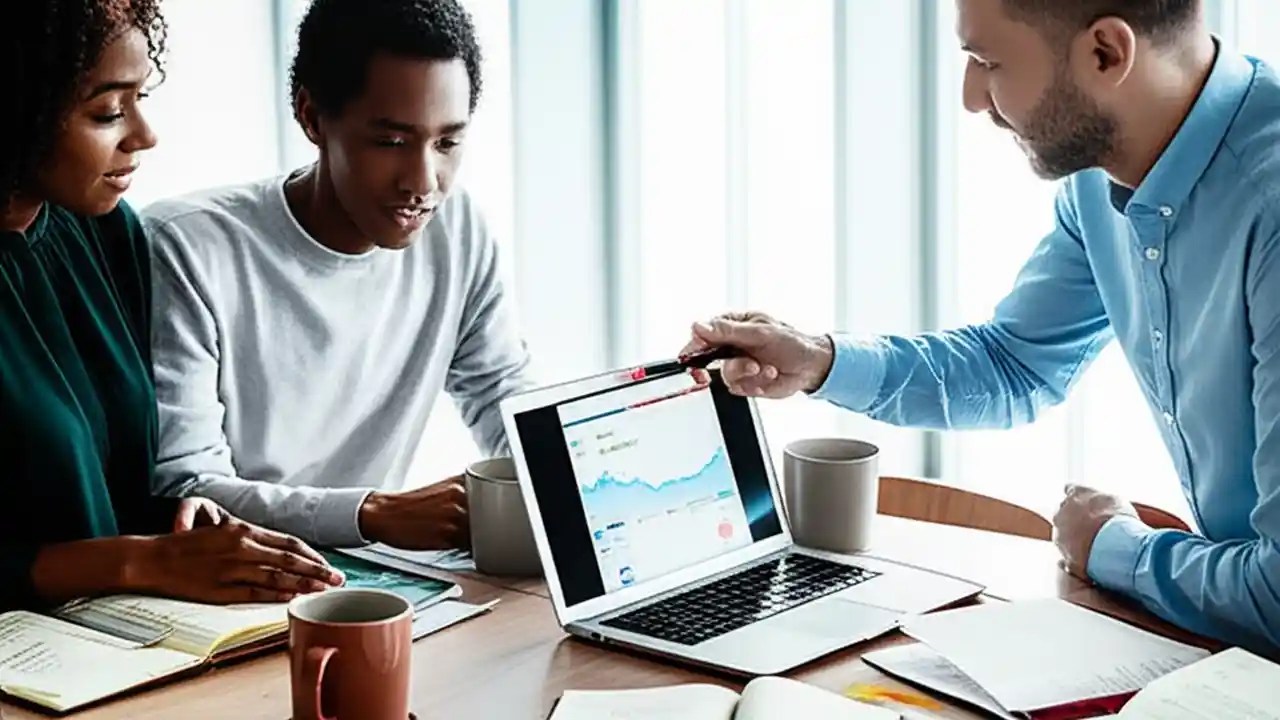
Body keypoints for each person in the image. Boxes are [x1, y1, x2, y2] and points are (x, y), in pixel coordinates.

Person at [685, 0, 1280, 655]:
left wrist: (1112, 546)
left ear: (1107, 52)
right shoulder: (1100, 186)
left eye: (987, 62)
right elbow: (1015, 365)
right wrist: (817, 361)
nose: (972, 98)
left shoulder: (1269, 208)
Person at [143, 0, 535, 551]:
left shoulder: (457, 227)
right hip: (229, 591)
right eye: (392, 142)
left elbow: (504, 397)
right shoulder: (188, 245)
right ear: (311, 116)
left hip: (379, 580)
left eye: (447, 143)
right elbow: (188, 493)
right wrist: (370, 514)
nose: (424, 182)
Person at [0, 0, 343, 611]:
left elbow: (94, 483)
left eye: (139, 98)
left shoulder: (106, 235)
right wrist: (140, 559)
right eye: (107, 110)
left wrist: (177, 524)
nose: (144, 135)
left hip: (116, 633)